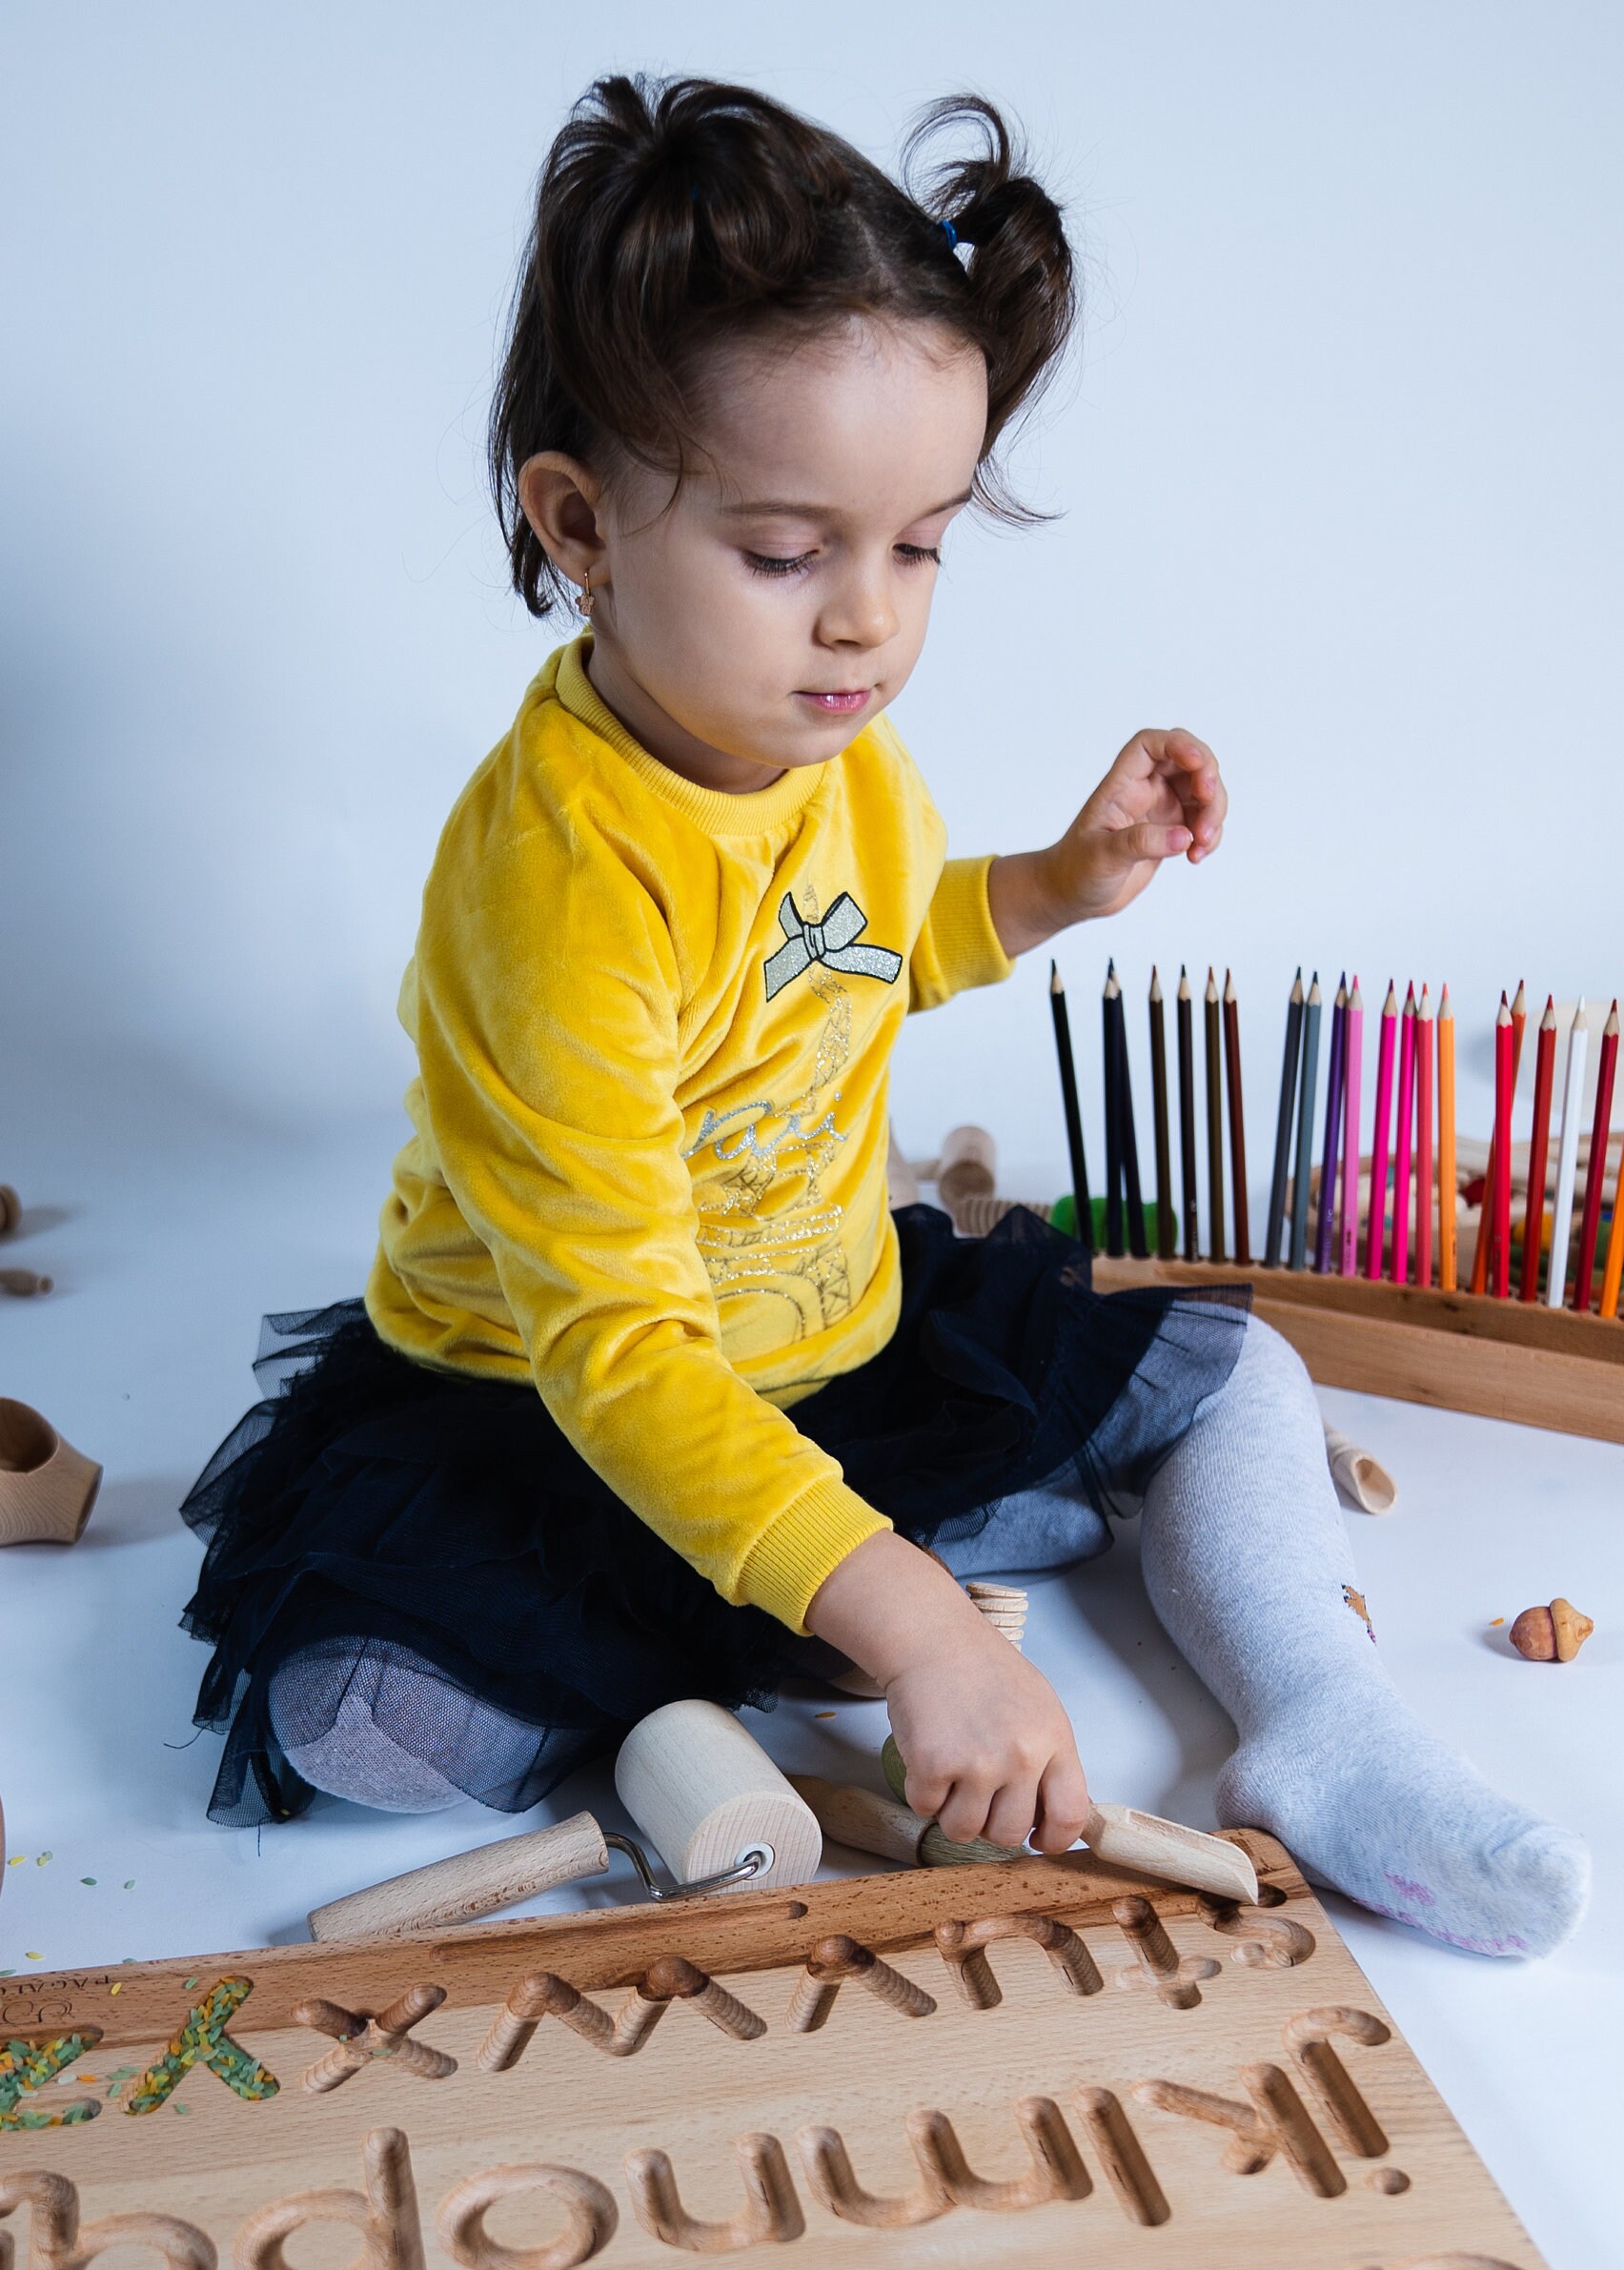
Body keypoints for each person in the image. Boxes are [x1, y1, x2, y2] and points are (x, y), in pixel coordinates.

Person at [182, 72, 1585, 1957]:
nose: (866, 622)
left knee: (1220, 1359)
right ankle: (821, 1609)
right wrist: (916, 1630)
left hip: (824, 1324)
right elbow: (618, 1356)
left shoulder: (832, 747)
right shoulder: (555, 886)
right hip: (562, 1395)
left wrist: (1042, 891)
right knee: (352, 1724)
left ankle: (1317, 1722)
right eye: (787, 554)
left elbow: (854, 951)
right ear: (580, 522)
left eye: (916, 547)